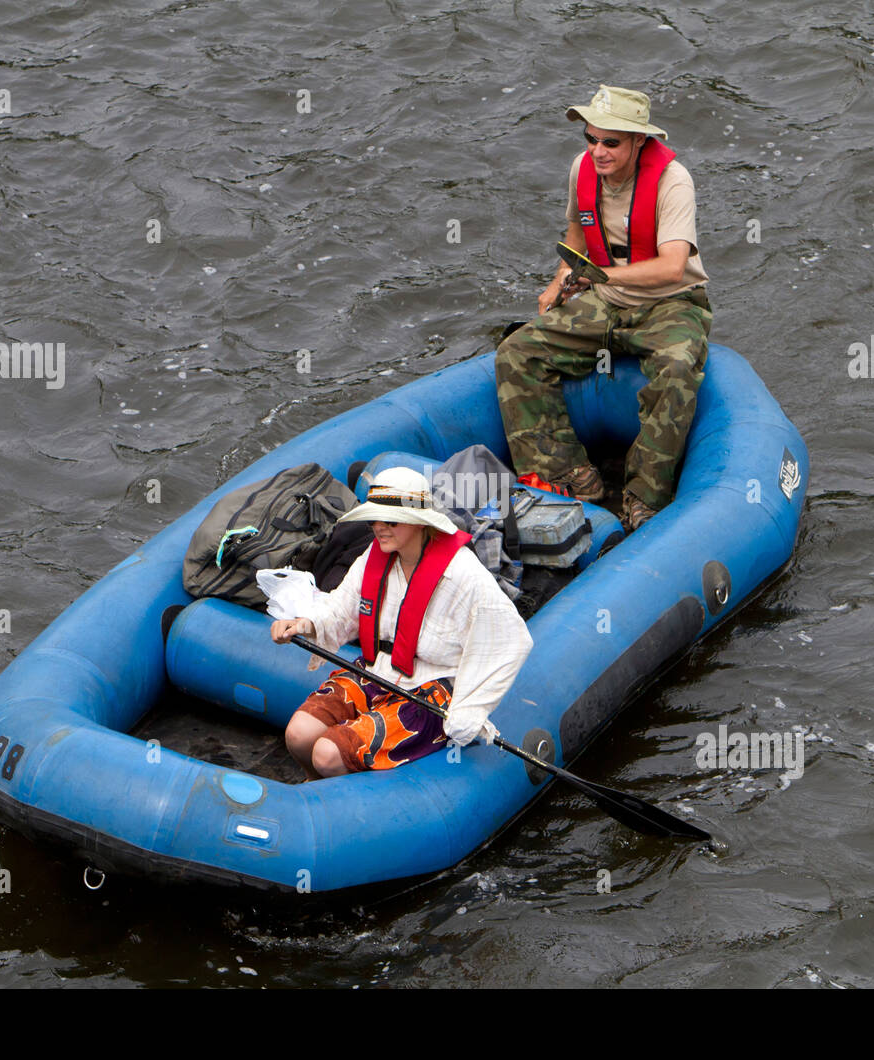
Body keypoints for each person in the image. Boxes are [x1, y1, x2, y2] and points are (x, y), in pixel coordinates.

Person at [496, 84, 712, 532]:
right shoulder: (583, 170)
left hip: (668, 305)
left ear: (639, 142)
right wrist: (560, 280)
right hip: (603, 299)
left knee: (675, 369)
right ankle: (569, 475)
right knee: (518, 353)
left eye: (610, 142)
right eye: (590, 139)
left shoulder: (674, 182)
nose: (597, 151)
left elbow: (673, 267)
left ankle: (643, 499)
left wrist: (604, 277)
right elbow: (577, 230)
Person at [270, 466, 533, 780]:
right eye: (374, 520)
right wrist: (306, 624)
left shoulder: (463, 573)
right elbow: (341, 609)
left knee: (327, 753)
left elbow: (512, 640)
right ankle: (320, 791)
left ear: (418, 522)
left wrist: (472, 708)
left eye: (390, 520)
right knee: (299, 734)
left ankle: (350, 795)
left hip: (433, 688)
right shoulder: (376, 555)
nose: (379, 527)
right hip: (378, 670)